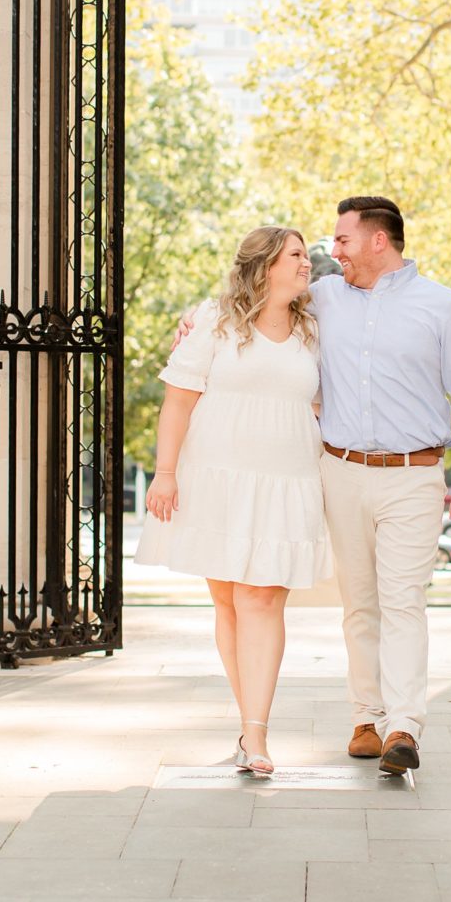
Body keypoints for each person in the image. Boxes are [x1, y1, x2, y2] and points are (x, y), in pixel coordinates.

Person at [179, 195, 451, 776]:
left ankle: (405, 724)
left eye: (342, 241)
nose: (332, 252)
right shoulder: (322, 299)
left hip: (416, 473)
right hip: (339, 471)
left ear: (380, 240)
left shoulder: (443, 307)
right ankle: (368, 719)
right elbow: (252, 302)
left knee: (404, 601)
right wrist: (196, 318)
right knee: (360, 604)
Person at [135, 226, 330, 778]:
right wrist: (165, 473)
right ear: (266, 264)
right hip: (216, 475)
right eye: (295, 255)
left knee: (262, 597)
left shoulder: (313, 329)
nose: (305, 263)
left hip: (287, 479)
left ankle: (257, 734)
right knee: (228, 601)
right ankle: (251, 727)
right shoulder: (213, 321)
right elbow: (177, 403)